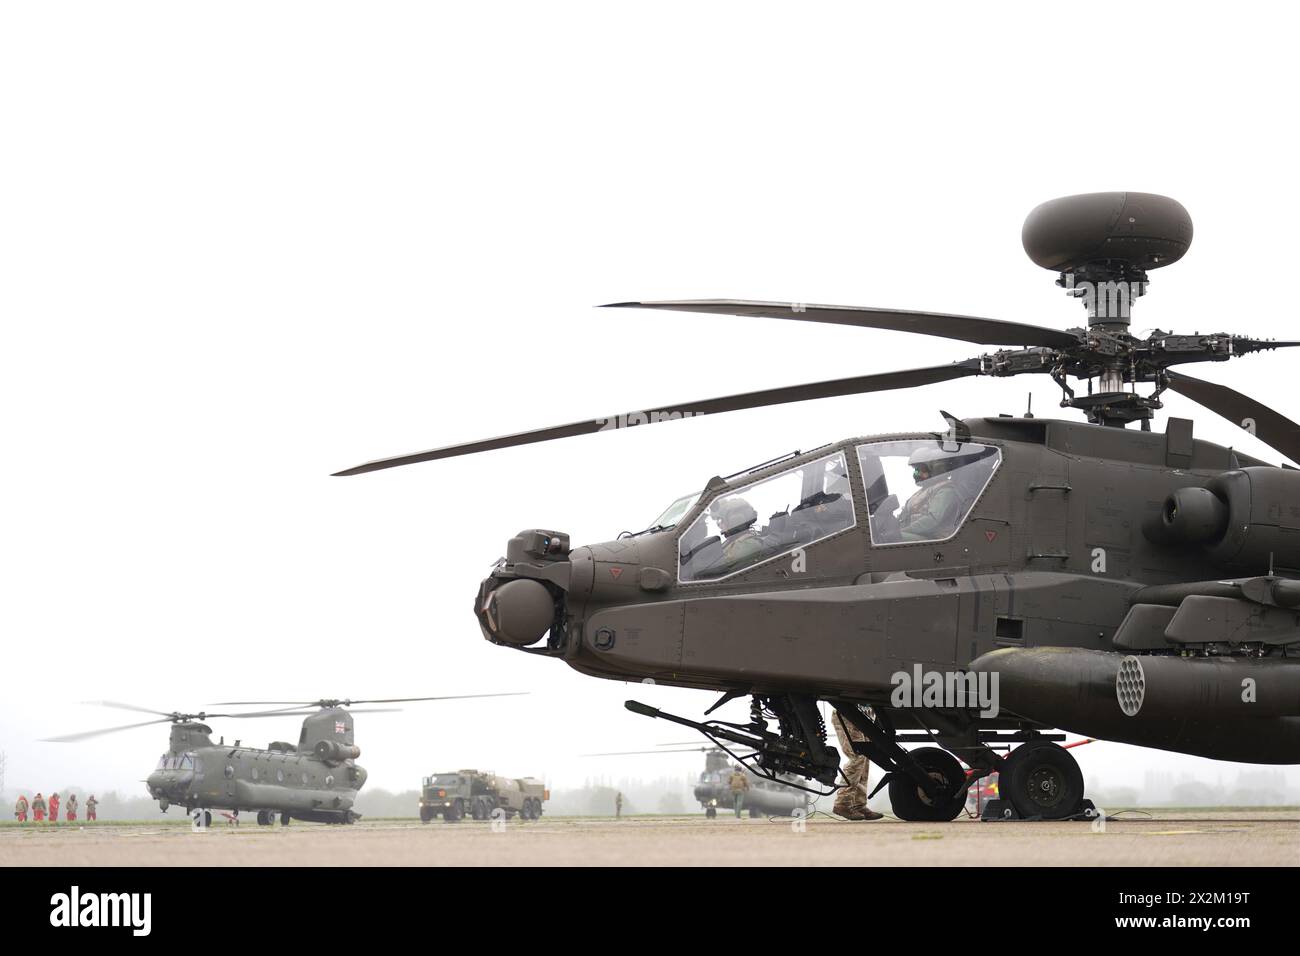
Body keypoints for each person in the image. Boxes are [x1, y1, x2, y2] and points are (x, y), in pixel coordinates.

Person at [897, 446, 967, 541]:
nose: (916, 474)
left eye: (919, 470)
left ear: (935, 469)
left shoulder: (946, 491)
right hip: (924, 537)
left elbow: (933, 520)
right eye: (915, 470)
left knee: (894, 539)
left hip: (936, 541)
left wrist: (903, 531)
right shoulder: (924, 491)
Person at [831, 709, 884, 821]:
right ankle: (843, 803)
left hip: (864, 716)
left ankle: (858, 805)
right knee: (857, 756)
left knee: (865, 757)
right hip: (849, 714)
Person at [709, 497, 766, 571]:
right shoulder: (731, 541)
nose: (719, 525)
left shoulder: (749, 544)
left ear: (735, 521)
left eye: (720, 520)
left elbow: (719, 567)